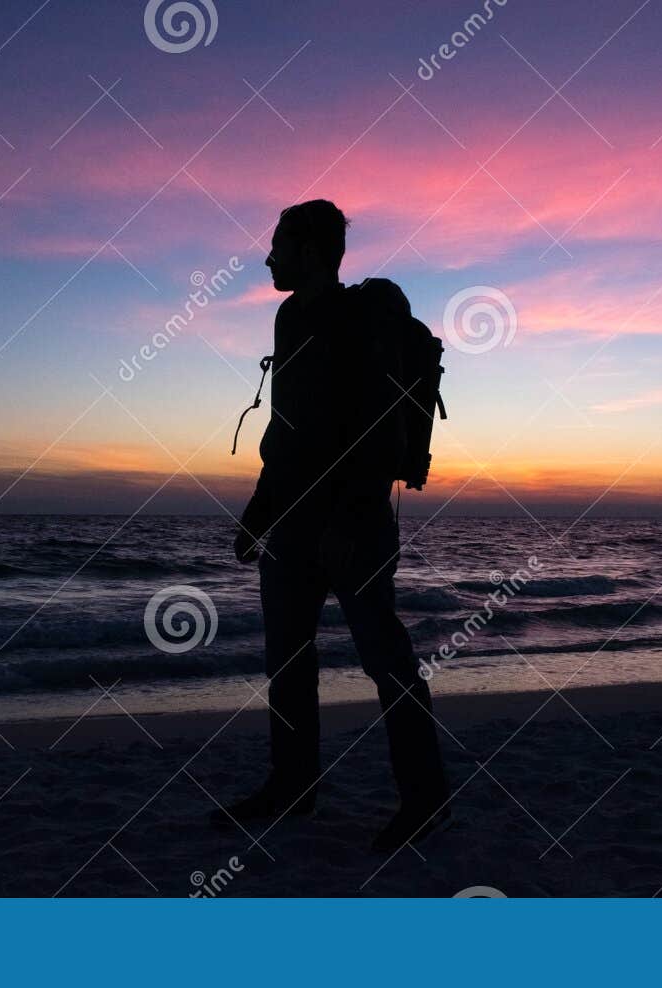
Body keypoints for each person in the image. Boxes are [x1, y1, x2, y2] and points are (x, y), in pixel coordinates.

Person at [212, 199, 450, 853]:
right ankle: (292, 787)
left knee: (384, 659)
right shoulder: (290, 318)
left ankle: (426, 800)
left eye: (278, 246)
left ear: (310, 251)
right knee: (287, 660)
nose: (268, 257)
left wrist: (350, 515)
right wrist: (259, 513)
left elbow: (379, 422)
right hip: (290, 523)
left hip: (354, 523)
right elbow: (284, 431)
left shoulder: (356, 322)